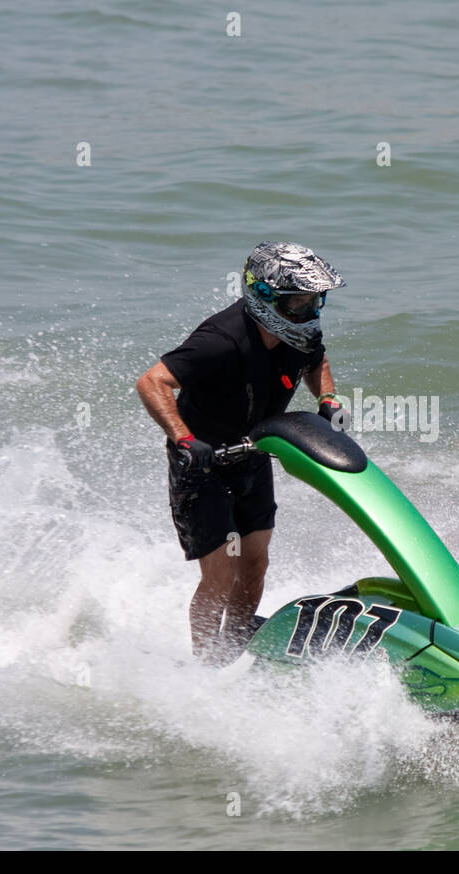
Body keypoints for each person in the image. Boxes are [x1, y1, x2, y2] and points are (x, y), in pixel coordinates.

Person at [136, 241, 350, 665]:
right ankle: (205, 667)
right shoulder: (219, 341)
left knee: (253, 567)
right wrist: (184, 439)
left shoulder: (300, 333)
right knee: (220, 576)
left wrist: (327, 398)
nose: (309, 311)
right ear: (263, 294)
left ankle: (232, 654)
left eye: (315, 301)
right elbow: (152, 382)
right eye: (298, 301)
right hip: (202, 465)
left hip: (253, 454)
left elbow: (316, 361)